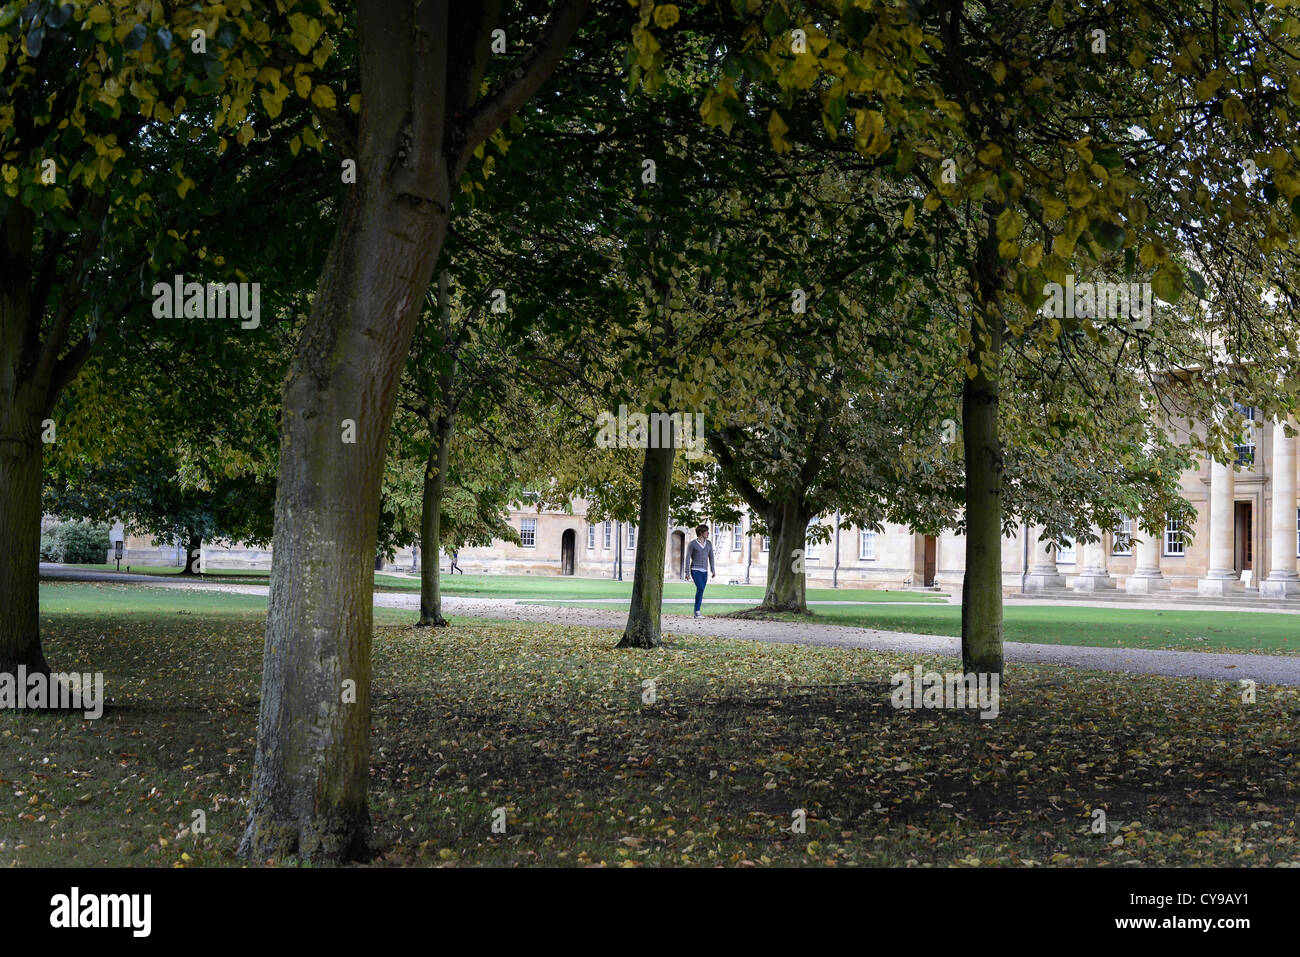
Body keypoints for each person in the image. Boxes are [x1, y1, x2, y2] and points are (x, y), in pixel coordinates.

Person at [686, 524, 715, 618]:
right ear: (701, 533)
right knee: (701, 588)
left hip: (705, 571)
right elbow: (687, 558)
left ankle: (697, 611)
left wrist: (713, 569)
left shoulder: (709, 543)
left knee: (701, 590)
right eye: (706, 531)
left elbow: (711, 557)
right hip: (695, 570)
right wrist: (687, 572)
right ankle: (697, 611)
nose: (708, 533)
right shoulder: (693, 544)